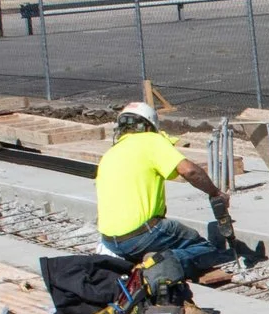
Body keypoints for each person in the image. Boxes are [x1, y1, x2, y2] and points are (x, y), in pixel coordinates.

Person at [95, 101, 234, 286]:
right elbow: (189, 171)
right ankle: (157, 264)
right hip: (144, 234)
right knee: (206, 249)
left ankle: (142, 261)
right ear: (149, 126)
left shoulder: (110, 153)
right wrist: (215, 193)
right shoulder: (150, 140)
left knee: (155, 239)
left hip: (111, 241)